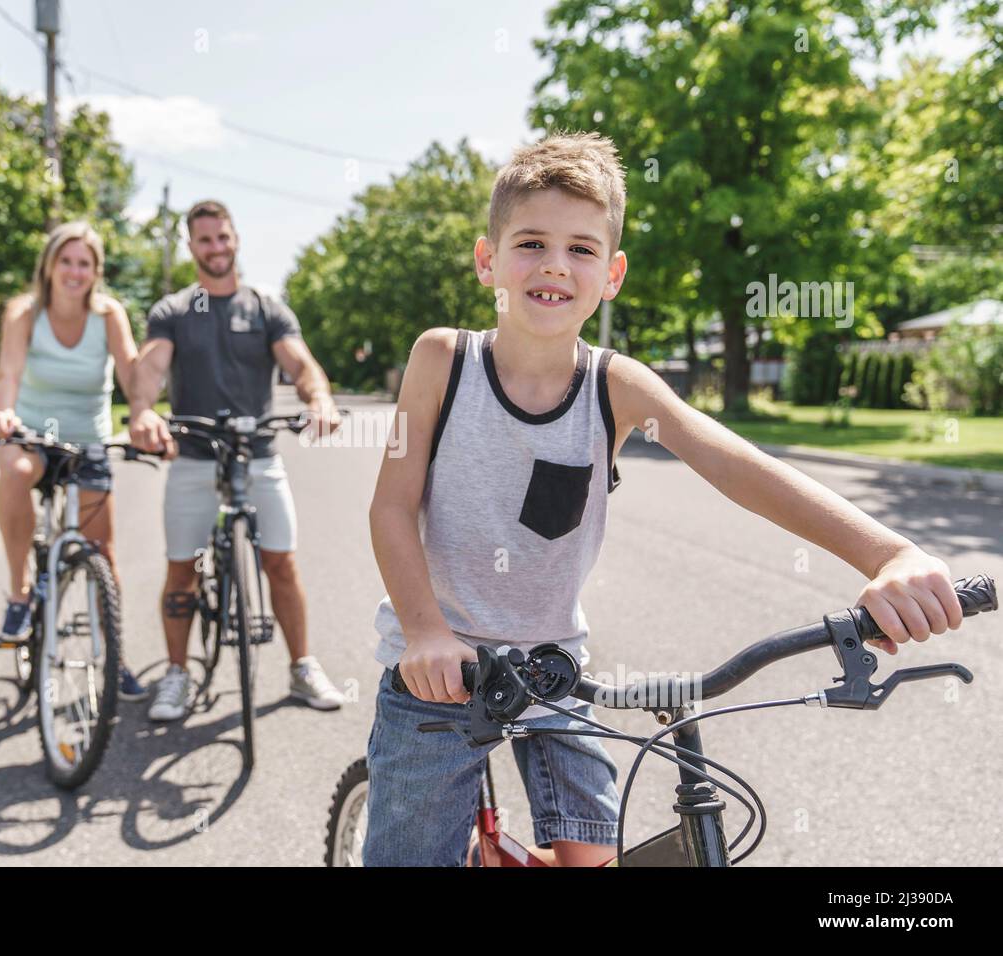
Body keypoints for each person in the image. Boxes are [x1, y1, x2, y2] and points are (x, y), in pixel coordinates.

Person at [362, 132, 966, 866]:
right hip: (441, 678)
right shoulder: (441, 361)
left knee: (594, 858)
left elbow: (737, 465)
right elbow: (391, 506)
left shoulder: (615, 387)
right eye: (531, 243)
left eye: (582, 249)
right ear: (489, 259)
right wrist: (425, 633)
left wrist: (889, 552)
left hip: (556, 673)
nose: (555, 264)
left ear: (611, 274)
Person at [128, 199, 346, 720]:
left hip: (258, 457)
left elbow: (301, 364)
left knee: (281, 562)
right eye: (205, 240)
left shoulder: (267, 308)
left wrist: (319, 399)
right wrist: (141, 411)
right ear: (191, 247)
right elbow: (152, 368)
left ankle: (301, 667)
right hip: (195, 457)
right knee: (182, 570)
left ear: (236, 239)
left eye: (223, 237)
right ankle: (177, 674)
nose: (216, 247)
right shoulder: (174, 311)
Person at [0, 220, 149, 700]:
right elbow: (8, 373)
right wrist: (3, 413)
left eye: (85, 263)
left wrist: (142, 414)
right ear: (50, 266)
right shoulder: (24, 313)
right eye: (67, 261)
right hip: (30, 433)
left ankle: (114, 659)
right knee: (14, 472)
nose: (75, 272)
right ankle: (20, 593)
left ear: (95, 271)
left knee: (102, 554)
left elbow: (132, 374)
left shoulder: (108, 315)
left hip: (87, 440)